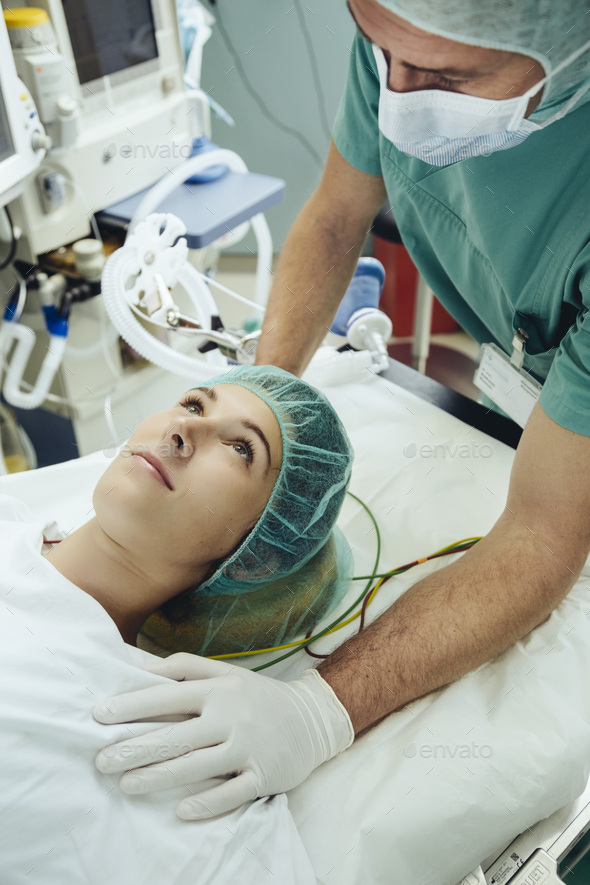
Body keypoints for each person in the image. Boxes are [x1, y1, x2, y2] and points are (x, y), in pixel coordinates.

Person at [92, 0, 590, 837]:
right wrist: (259, 392)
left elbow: (541, 536)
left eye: (444, 78)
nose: (397, 92)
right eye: (377, 50)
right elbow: (332, 217)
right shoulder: (411, 39)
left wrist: (321, 712)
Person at [0, 365, 353, 884]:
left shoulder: (133, 739)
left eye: (241, 448)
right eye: (193, 405)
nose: (183, 431)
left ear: (253, 557)